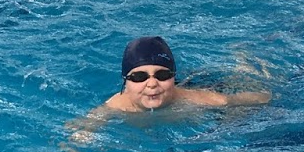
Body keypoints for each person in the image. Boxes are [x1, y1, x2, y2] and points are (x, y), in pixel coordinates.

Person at [94, 36, 271, 116]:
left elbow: (257, 98)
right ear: (125, 81)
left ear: (173, 77)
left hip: (206, 84)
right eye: (140, 77)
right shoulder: (116, 106)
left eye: (162, 75)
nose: (152, 83)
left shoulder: (197, 100)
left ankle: (245, 61)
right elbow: (79, 134)